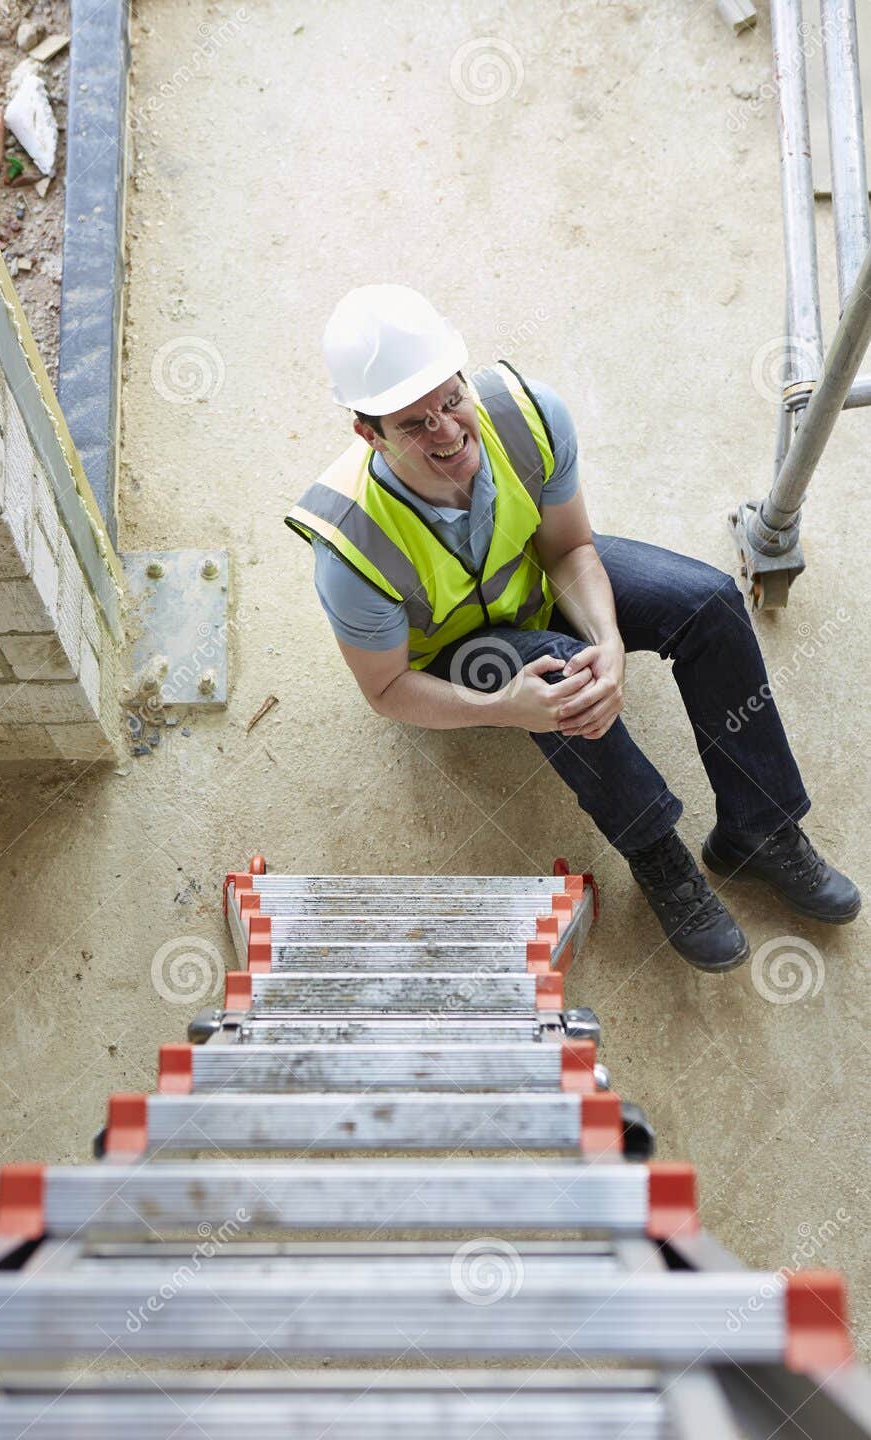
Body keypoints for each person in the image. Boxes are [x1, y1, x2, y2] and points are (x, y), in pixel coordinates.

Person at [285, 284, 860, 971]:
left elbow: (567, 548)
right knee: (560, 674)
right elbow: (384, 689)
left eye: (449, 399)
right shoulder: (350, 546)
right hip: (452, 653)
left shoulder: (528, 415)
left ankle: (757, 828)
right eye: (412, 424)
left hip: (535, 579)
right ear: (367, 433)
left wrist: (610, 642)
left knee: (705, 602)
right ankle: (656, 853)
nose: (445, 430)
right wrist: (502, 708)